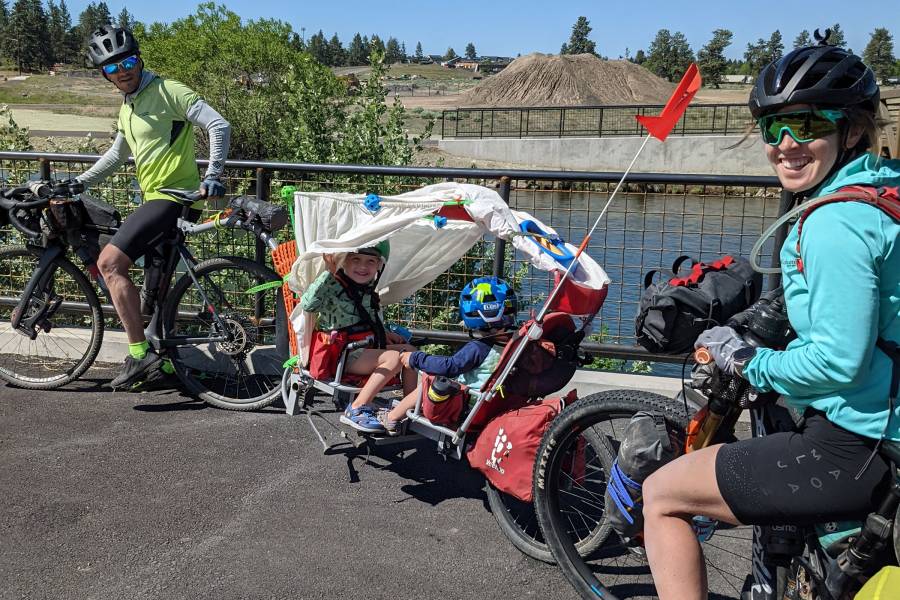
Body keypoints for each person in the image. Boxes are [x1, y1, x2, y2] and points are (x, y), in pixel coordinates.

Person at [640, 40, 900, 600]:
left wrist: (750, 360)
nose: (786, 144)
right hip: (886, 427)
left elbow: (838, 361)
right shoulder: (884, 190)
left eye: (806, 123)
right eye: (773, 128)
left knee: (662, 494)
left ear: (851, 130)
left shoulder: (838, 224)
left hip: (860, 441)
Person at [73, 25, 232, 389]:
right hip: (157, 200)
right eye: (112, 68)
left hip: (173, 198)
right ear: (105, 75)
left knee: (110, 263)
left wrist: (214, 174)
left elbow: (218, 124)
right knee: (155, 291)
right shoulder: (128, 106)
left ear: (140, 58)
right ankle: (165, 362)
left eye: (127, 61)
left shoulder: (166, 90)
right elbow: (117, 155)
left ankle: (139, 354)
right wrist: (79, 183)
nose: (123, 71)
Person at [300, 242, 416, 433]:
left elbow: (367, 318)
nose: (363, 267)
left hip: (363, 348)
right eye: (356, 260)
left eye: (370, 261)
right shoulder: (334, 284)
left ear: (379, 265)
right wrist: (330, 271)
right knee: (394, 358)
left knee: (411, 353)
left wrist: (384, 333)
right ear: (344, 262)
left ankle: (407, 408)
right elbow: (308, 304)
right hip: (342, 355)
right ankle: (356, 408)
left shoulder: (368, 290)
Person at [377, 276, 517, 435]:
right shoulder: (514, 343)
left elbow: (449, 366)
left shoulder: (479, 348)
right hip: (494, 405)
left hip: (465, 407)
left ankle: (391, 417)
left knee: (429, 381)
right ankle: (405, 407)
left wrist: (415, 358)